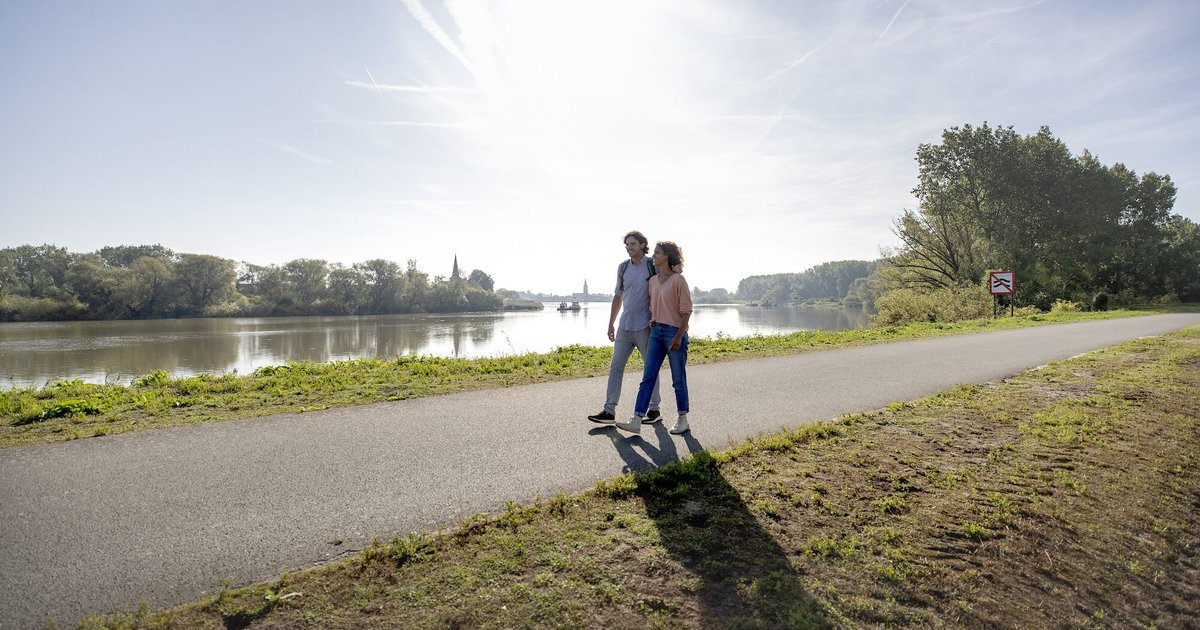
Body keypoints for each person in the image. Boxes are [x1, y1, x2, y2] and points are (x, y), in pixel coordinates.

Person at [615, 241, 692, 435]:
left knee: (678, 379)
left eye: (657, 253)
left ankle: (682, 419)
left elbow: (686, 311)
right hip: (656, 332)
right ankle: (637, 419)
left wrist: (679, 335)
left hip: (674, 333)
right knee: (647, 377)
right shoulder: (653, 281)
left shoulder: (678, 280)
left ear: (668, 256)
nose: (654, 256)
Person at [587, 231, 663, 425]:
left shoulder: (651, 265)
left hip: (645, 326)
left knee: (650, 368)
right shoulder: (622, 268)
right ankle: (609, 410)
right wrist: (611, 323)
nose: (629, 247)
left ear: (642, 245)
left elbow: (664, 287)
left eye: (633, 244)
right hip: (625, 326)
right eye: (627, 245)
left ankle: (654, 410)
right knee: (616, 366)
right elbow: (618, 296)